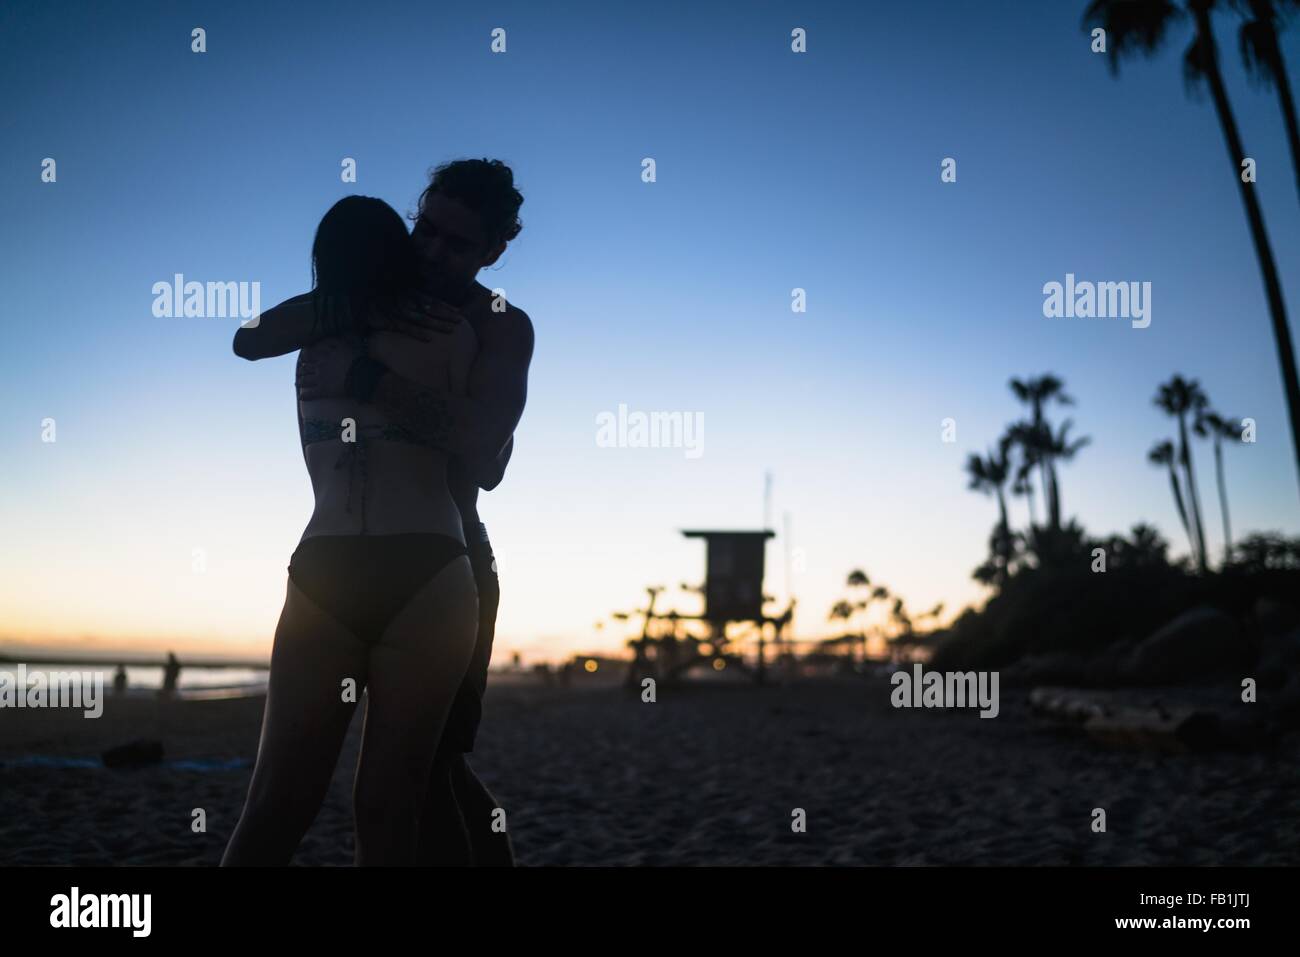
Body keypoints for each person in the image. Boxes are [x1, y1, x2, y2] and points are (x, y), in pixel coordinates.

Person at [231, 159, 534, 865]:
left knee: (430, 776)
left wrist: (367, 376)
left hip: (453, 560)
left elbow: (486, 458)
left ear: (494, 250)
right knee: (402, 785)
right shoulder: (358, 304)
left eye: (455, 244)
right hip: (338, 567)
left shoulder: (497, 326)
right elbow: (249, 338)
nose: (430, 250)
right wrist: (360, 309)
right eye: (423, 229)